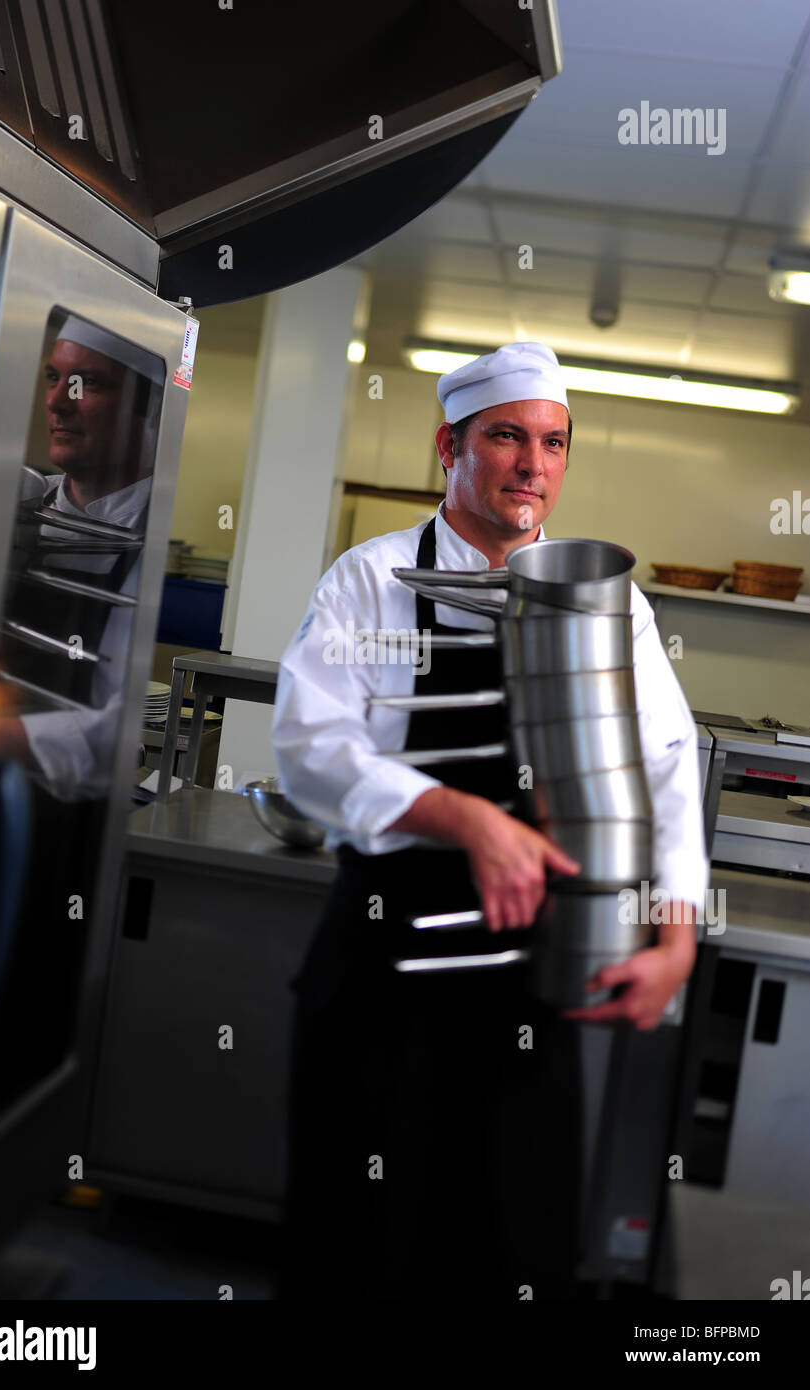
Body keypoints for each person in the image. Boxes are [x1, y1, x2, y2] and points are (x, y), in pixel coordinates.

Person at [272, 341, 708, 1300]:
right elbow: (309, 745)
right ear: (449, 445)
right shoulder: (371, 580)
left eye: (553, 444)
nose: (532, 466)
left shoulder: (605, 605)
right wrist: (465, 817)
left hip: (527, 975)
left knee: (512, 1244)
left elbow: (666, 772)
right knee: (359, 1241)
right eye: (506, 437)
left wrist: (676, 936)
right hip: (386, 963)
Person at [0, 315, 162, 800]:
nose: (58, 402)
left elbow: (115, 741)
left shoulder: (152, 542)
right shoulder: (20, 503)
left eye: (89, 384)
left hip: (65, 827)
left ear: (149, 408)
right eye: (54, 378)